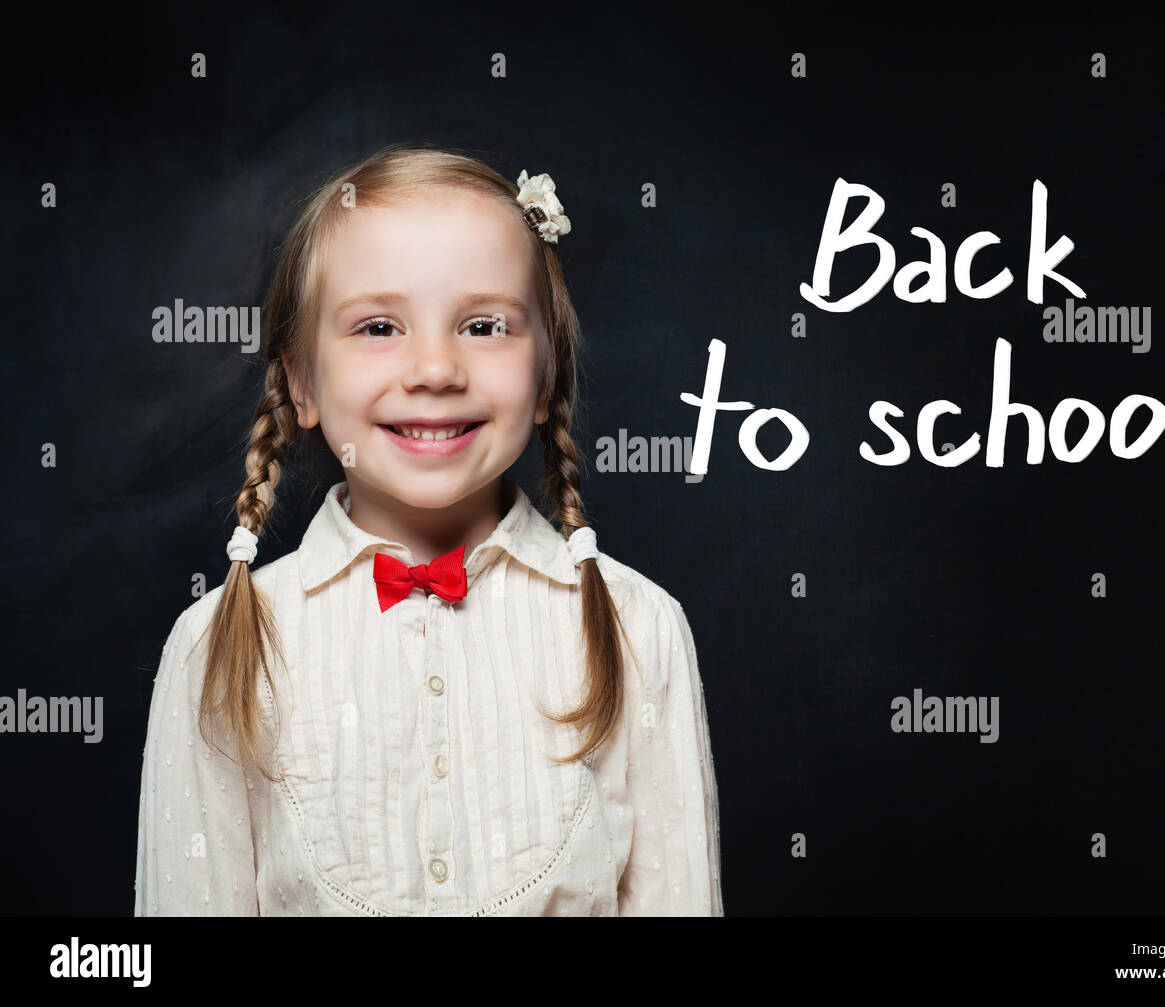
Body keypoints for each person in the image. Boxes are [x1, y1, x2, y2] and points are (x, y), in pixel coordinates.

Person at [133, 146, 723, 916]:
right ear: (302, 383)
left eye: (484, 324)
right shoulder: (217, 647)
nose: (436, 368)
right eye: (379, 326)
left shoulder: (641, 629)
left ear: (545, 377)